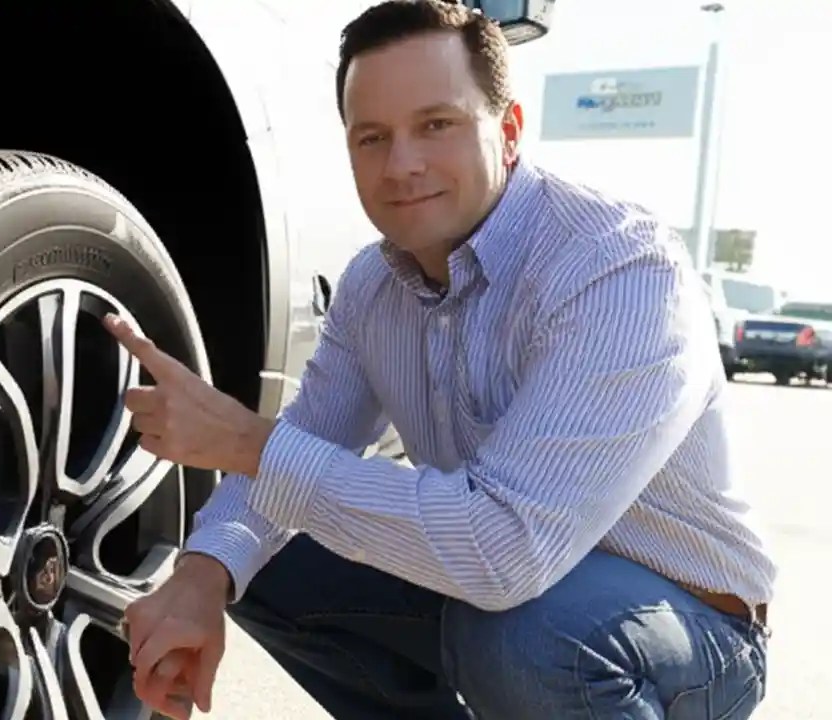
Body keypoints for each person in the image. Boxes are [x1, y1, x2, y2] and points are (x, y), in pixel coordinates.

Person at [103, 1, 777, 718]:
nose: (402, 165)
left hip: (692, 626)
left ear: (509, 131)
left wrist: (244, 441)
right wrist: (200, 577)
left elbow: (507, 550)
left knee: (524, 634)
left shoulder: (617, 270)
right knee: (267, 566)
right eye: (372, 137)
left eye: (436, 125)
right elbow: (296, 460)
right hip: (511, 592)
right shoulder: (373, 285)